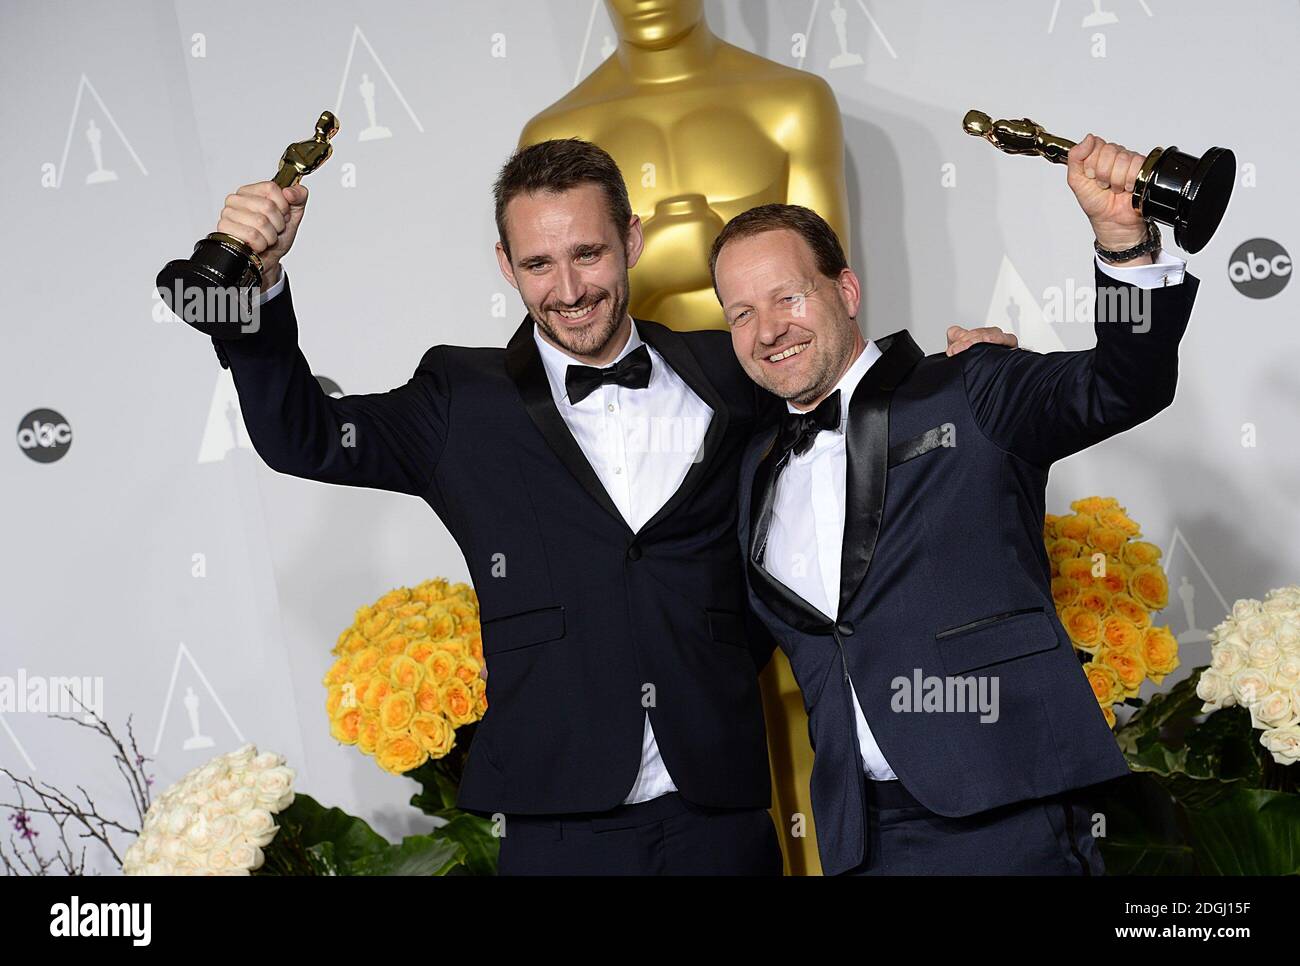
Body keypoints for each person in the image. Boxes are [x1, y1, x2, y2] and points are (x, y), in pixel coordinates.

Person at [205, 137, 1015, 875]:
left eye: (588, 253)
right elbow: (302, 437)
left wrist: (957, 376)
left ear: (630, 240)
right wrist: (260, 288)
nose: (567, 290)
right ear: (504, 263)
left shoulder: (728, 369)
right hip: (560, 831)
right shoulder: (460, 399)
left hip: (721, 816)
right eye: (538, 264)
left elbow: (836, 393)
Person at [711, 134, 1198, 875]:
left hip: (1007, 812)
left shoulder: (970, 386)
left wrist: (1123, 242)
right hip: (860, 840)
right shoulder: (755, 469)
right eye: (740, 313)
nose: (768, 328)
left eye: (788, 295)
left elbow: (1123, 383)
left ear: (845, 291)